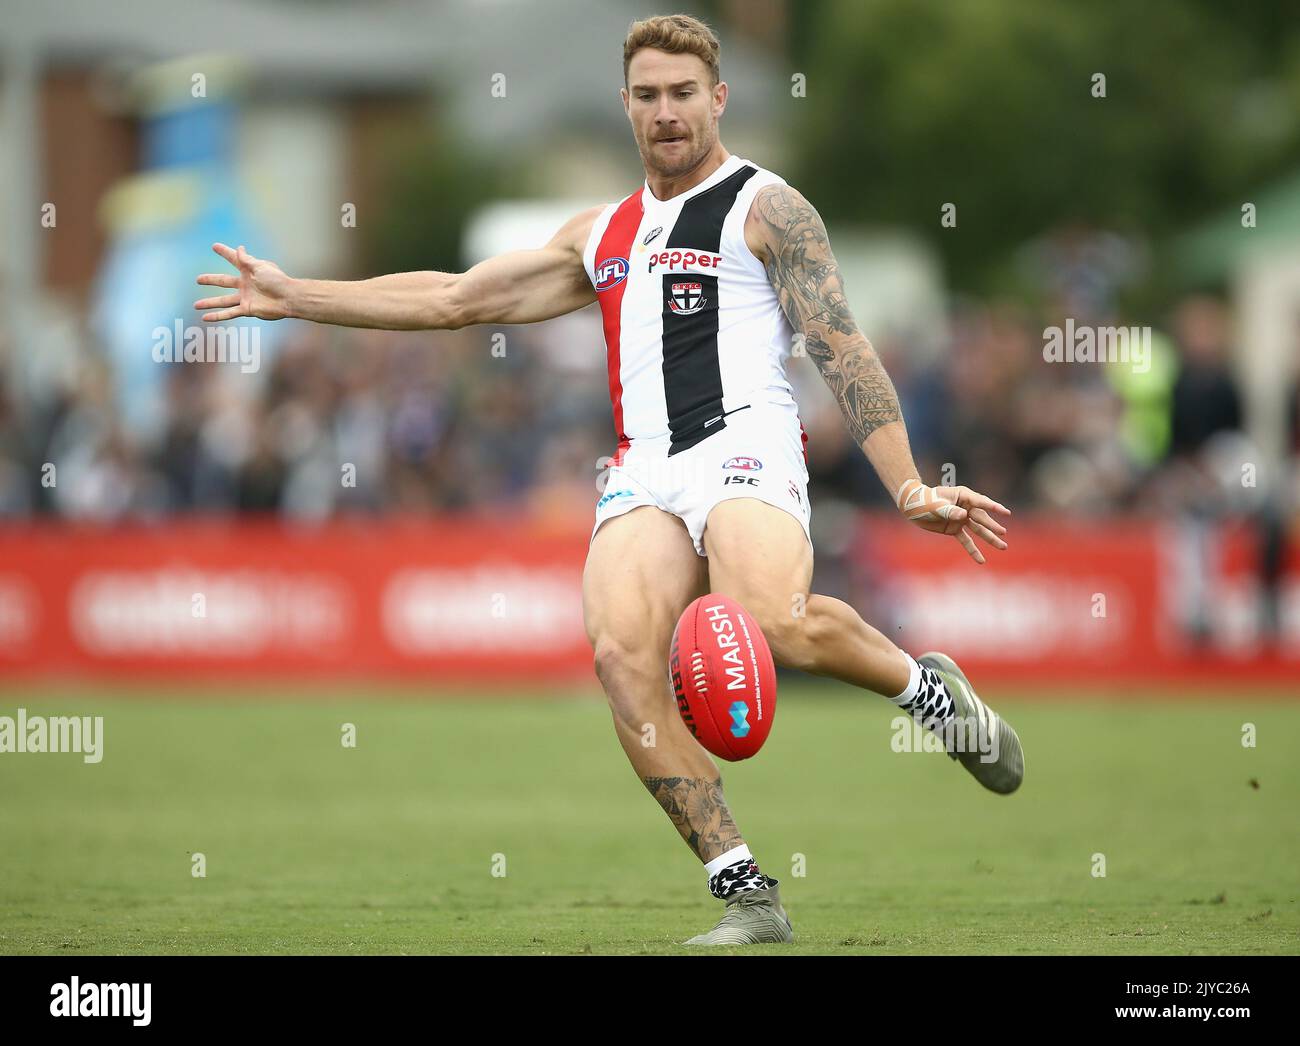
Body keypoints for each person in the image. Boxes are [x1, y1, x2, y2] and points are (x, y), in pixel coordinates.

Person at [195, 13, 1023, 947]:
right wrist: (295, 295)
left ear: (717, 99)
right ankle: (747, 892)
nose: (665, 112)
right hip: (645, 470)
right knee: (623, 658)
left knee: (777, 622)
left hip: (744, 446)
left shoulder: (768, 208)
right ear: (624, 105)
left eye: (682, 94)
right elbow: (459, 297)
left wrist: (909, 487)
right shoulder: (603, 231)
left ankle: (927, 693)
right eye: (646, 95)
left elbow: (842, 348)